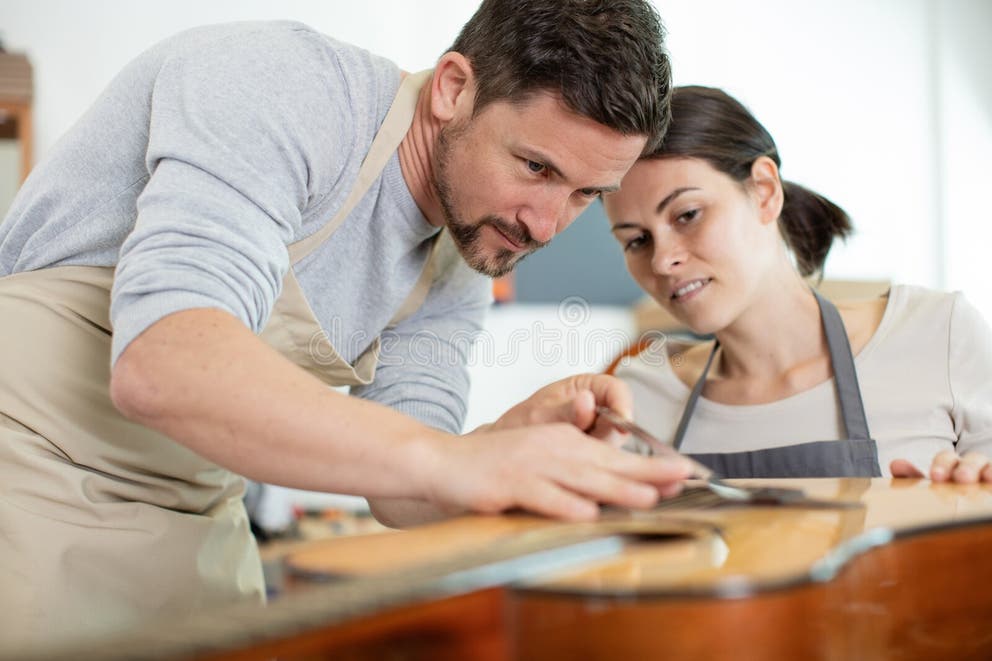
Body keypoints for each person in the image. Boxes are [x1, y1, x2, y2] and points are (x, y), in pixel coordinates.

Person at [0, 1, 693, 649]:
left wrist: (509, 450)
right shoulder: (287, 85)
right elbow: (164, 363)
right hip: (27, 475)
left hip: (195, 529)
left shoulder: (461, 253)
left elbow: (400, 494)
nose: (544, 225)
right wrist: (457, 461)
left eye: (584, 194)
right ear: (453, 88)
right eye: (535, 166)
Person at [602, 85, 992, 483]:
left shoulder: (938, 335)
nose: (663, 260)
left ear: (765, 192)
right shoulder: (640, 396)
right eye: (637, 240)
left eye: (687, 214)